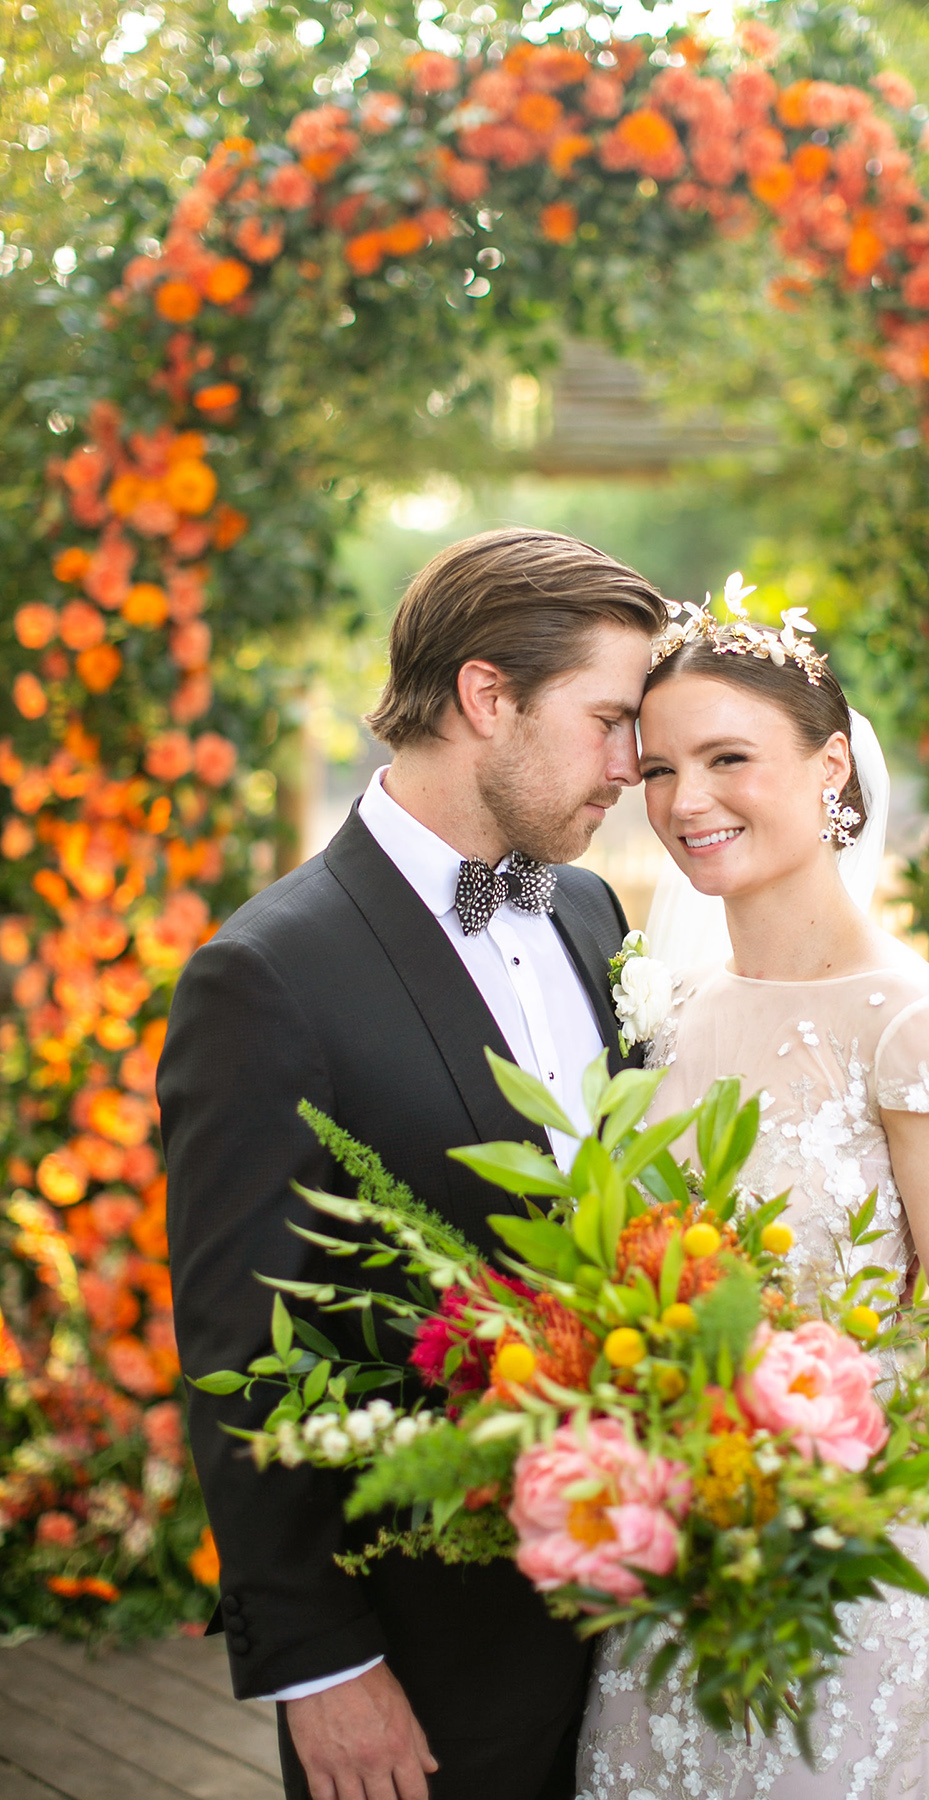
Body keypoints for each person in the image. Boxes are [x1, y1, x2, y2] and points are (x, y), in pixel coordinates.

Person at [159, 528, 667, 1800]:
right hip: (424, 1662)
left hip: (637, 1631)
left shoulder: (594, 912)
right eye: (609, 719)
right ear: (486, 697)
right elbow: (239, 1347)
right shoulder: (265, 976)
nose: (633, 765)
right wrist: (320, 1669)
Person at [576, 602, 929, 1800]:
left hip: (847, 1580)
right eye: (660, 768)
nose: (685, 802)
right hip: (669, 1569)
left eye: (729, 759)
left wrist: (799, 1514)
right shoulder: (669, 1010)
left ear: (830, 766)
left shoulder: (918, 1030)